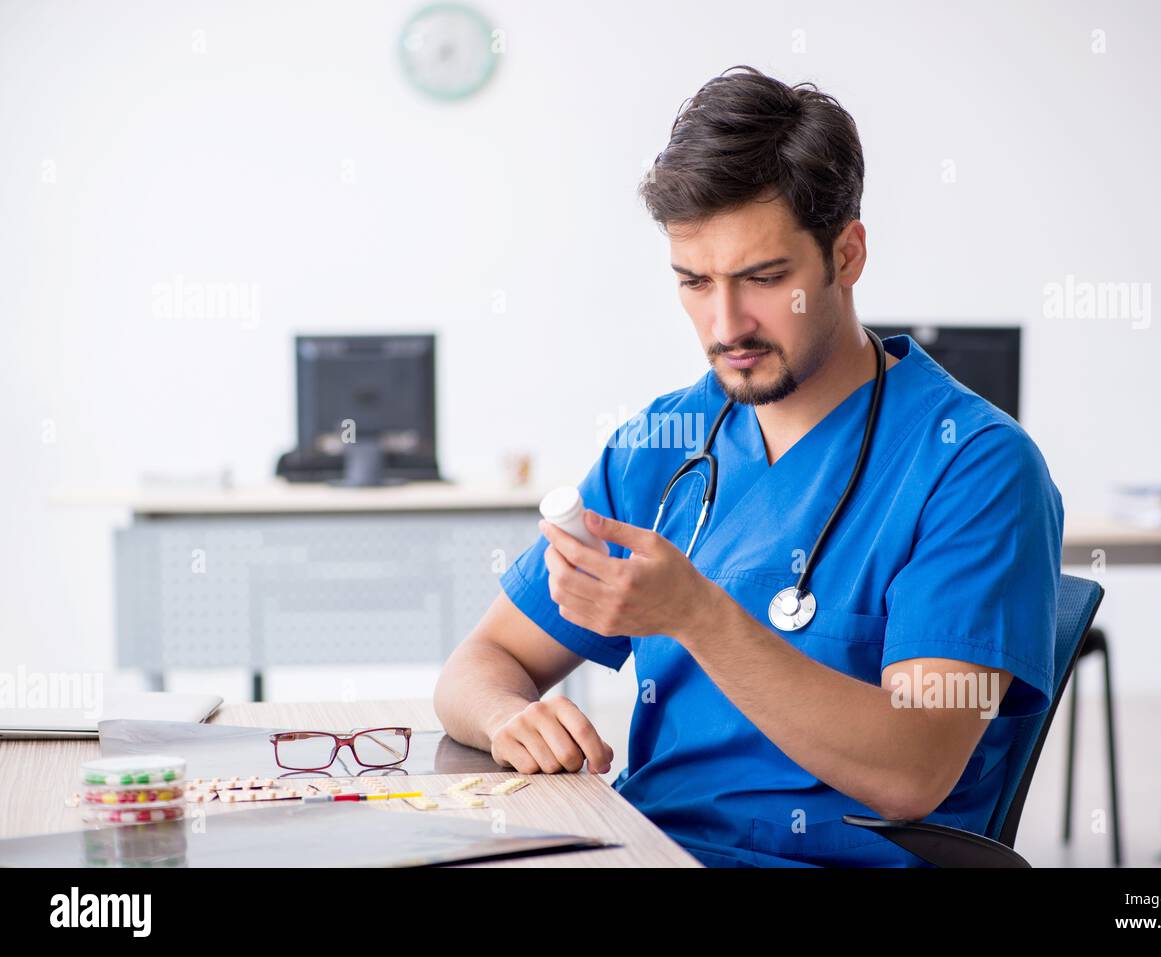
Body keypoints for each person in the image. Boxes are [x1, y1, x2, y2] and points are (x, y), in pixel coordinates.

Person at [434, 65, 1064, 867]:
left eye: (764, 279)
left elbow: (913, 769)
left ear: (847, 253)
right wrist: (505, 719)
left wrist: (697, 612)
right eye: (695, 282)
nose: (725, 323)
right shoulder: (668, 442)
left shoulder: (975, 468)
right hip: (642, 847)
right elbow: (480, 664)